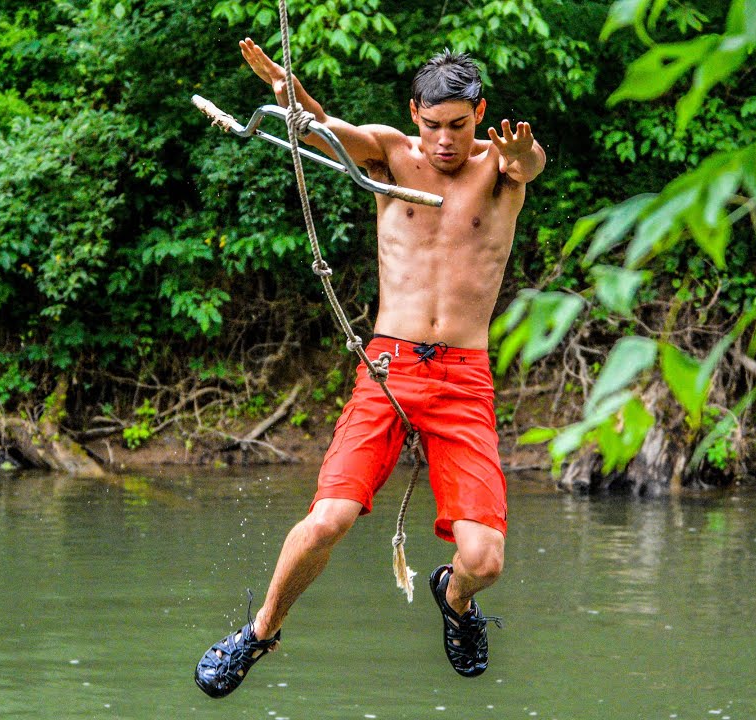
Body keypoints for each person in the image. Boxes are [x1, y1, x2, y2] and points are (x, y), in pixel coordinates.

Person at [194, 38, 546, 699]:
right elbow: (327, 132)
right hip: (388, 368)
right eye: (434, 125)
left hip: (463, 378)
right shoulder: (390, 154)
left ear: (480, 115)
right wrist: (288, 93)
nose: (445, 141)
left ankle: (456, 600)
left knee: (484, 561)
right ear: (415, 114)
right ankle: (261, 631)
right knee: (328, 518)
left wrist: (519, 149)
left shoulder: (499, 170)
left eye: (459, 126)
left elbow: (529, 160)